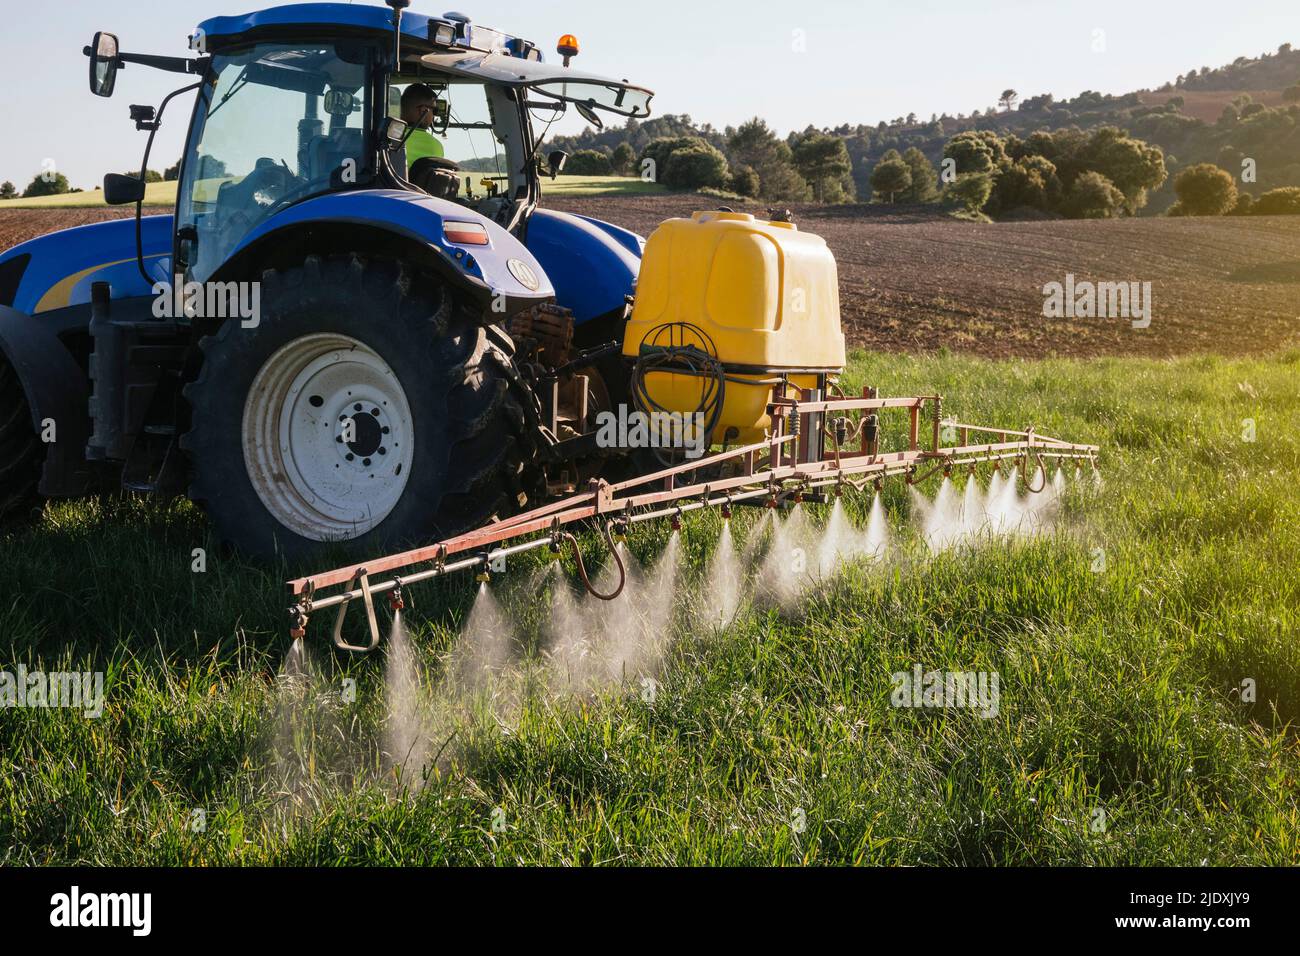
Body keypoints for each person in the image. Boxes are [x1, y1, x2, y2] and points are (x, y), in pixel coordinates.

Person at [399, 83, 445, 167]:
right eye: (434, 111)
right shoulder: (436, 146)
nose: (434, 116)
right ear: (423, 110)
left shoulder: (387, 139)